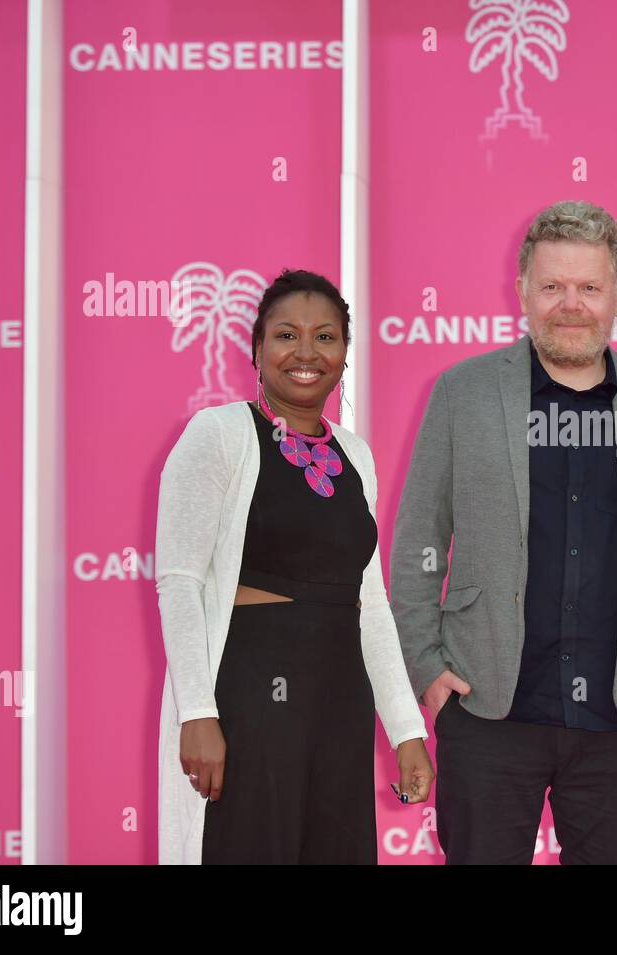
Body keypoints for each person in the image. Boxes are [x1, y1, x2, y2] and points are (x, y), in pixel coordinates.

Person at [390, 200, 617, 864]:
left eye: (589, 287)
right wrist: (427, 667)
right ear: (522, 291)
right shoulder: (463, 392)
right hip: (487, 710)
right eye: (553, 286)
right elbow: (417, 541)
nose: (571, 304)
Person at [154, 269, 433, 864]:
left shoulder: (354, 454)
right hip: (251, 695)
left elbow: (371, 603)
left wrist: (406, 729)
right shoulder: (219, 434)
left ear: (344, 353)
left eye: (325, 337)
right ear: (257, 348)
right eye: (286, 335)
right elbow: (179, 582)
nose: (306, 352)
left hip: (339, 698)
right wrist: (197, 714)